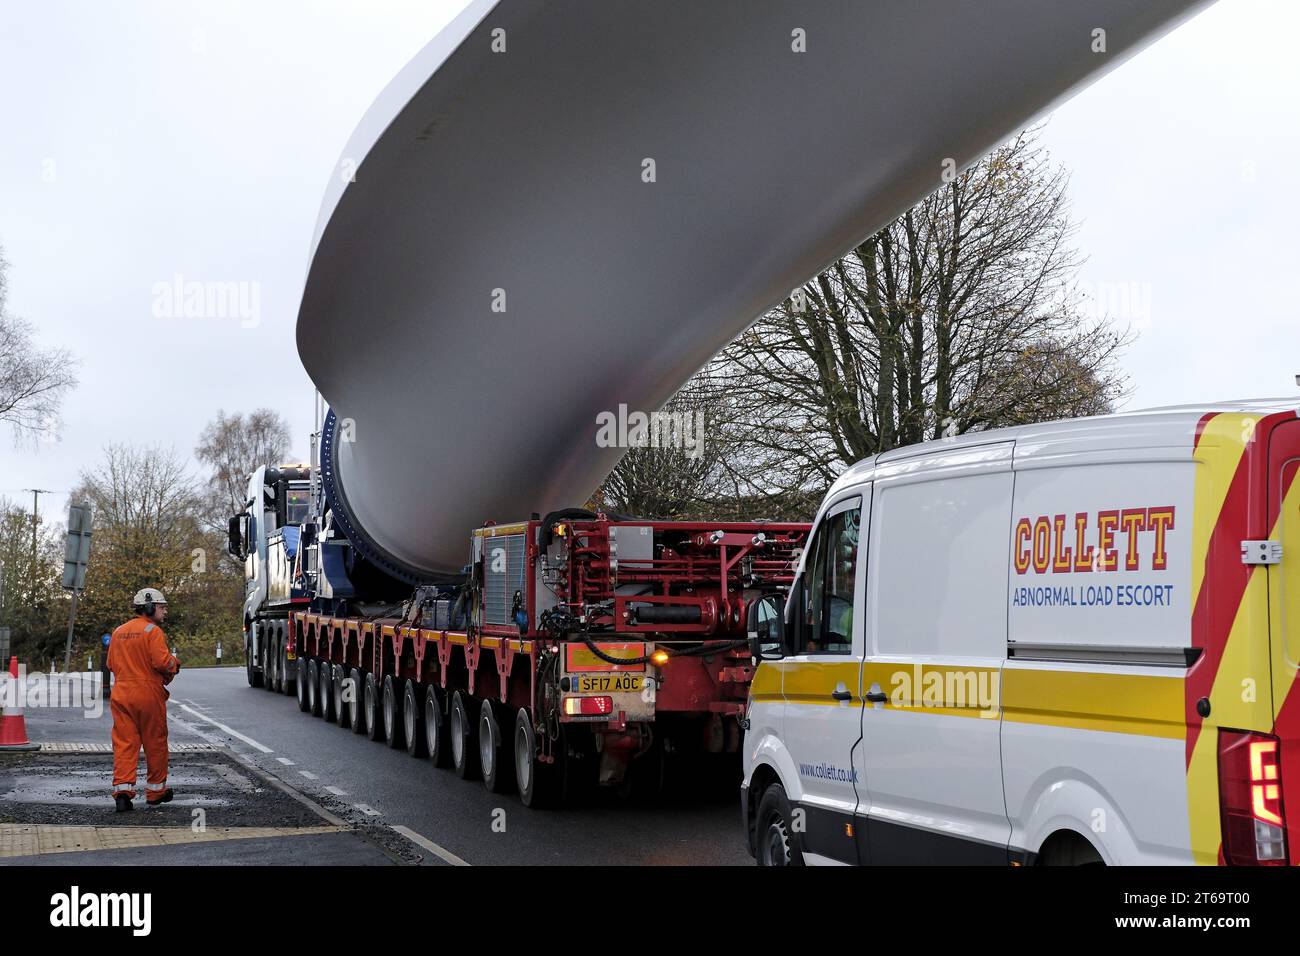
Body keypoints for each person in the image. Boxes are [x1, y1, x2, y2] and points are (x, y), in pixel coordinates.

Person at [107, 588, 180, 812]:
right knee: (155, 742)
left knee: (124, 743)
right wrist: (174, 665)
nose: (165, 611)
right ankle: (156, 792)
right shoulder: (153, 631)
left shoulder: (119, 631)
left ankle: (122, 791)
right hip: (147, 694)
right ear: (149, 608)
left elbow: (111, 663)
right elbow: (161, 663)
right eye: (161, 607)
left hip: (121, 693)